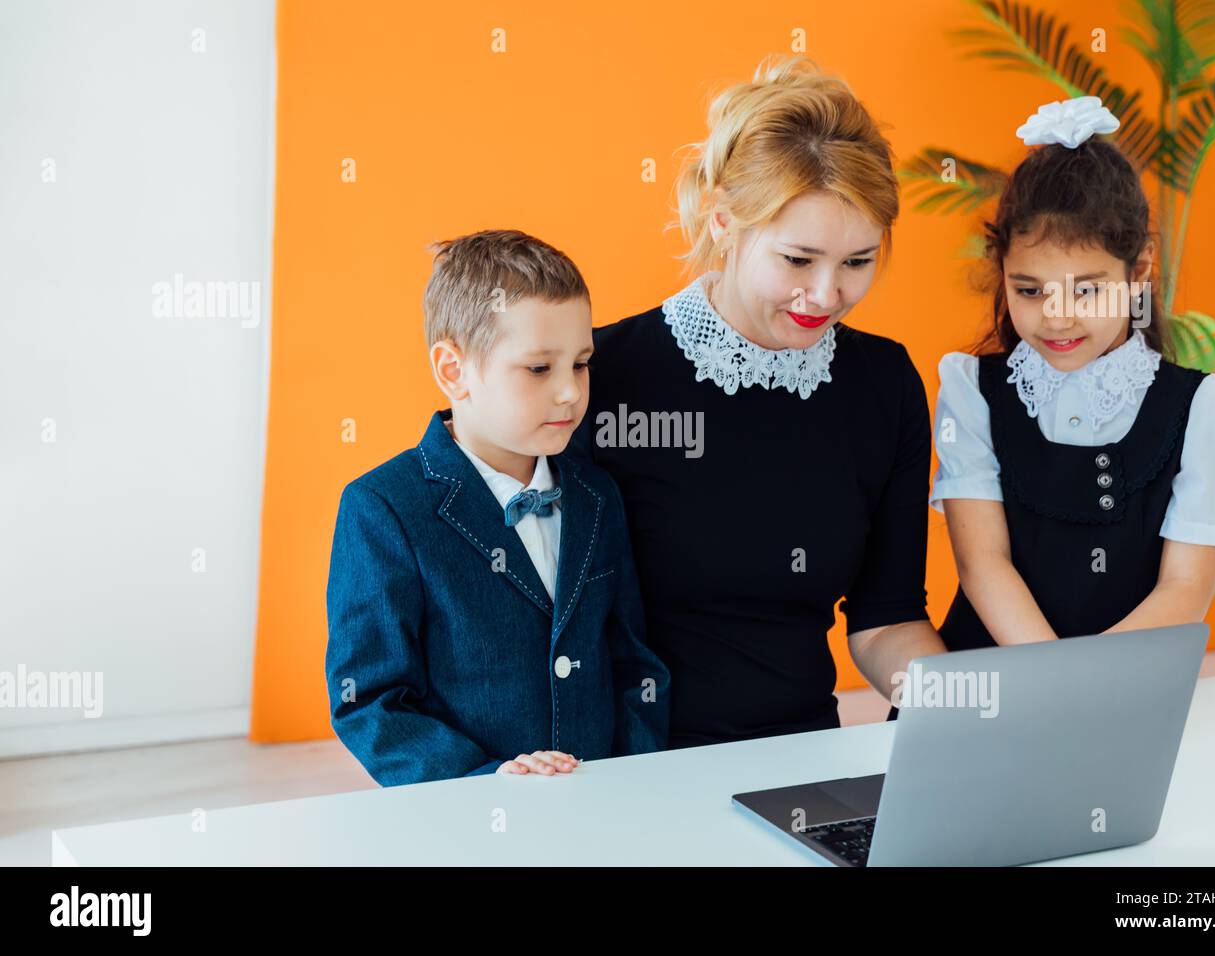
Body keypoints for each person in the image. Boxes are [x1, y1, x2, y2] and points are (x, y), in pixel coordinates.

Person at [570, 55, 947, 748]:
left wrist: (964, 709)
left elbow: (886, 620)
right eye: (798, 260)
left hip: (801, 760)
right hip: (627, 768)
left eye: (858, 262)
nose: (827, 295)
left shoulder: (884, 384)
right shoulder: (604, 376)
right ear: (722, 222)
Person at [325, 229, 670, 784]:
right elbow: (370, 701)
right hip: (468, 823)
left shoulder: (596, 494)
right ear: (453, 371)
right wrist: (483, 782)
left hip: (606, 808)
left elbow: (634, 660)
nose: (570, 392)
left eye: (580, 364)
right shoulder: (381, 507)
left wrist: (633, 777)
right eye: (539, 369)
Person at [926, 95, 1215, 663]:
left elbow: (1184, 590)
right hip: (988, 682)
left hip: (1119, 694)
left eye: (1086, 289)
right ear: (1000, 271)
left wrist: (1082, 693)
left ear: (1141, 269)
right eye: (1029, 290)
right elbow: (983, 565)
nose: (1057, 316)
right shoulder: (970, 390)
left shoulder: (1205, 408)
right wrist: (1059, 684)